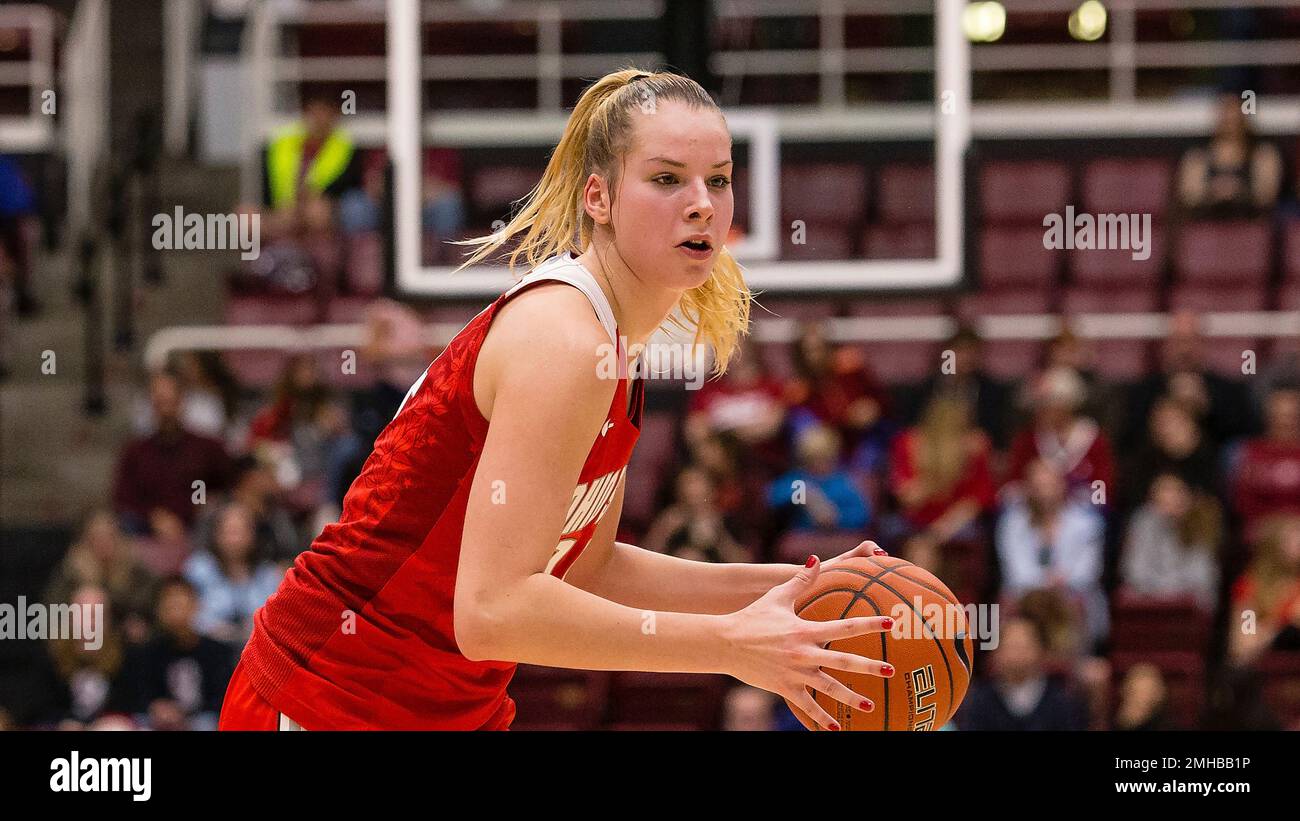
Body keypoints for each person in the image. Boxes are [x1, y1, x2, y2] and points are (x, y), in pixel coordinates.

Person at [219, 69, 893, 732]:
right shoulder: (564, 341)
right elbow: (492, 613)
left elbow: (592, 569)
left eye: (717, 179)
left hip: (442, 707)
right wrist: (729, 645)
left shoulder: (611, 352)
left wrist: (801, 588)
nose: (702, 203)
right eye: (666, 178)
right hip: (329, 695)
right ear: (596, 197)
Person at [121, 576, 236, 730]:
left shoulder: (217, 652)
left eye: (181, 604)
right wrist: (155, 706)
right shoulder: (145, 653)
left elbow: (223, 698)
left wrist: (185, 714)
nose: (176, 612)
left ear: (195, 605)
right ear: (158, 610)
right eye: (170, 606)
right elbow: (137, 696)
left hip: (202, 720)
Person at [953, 615, 1089, 731]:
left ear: (1041, 651)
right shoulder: (979, 702)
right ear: (995, 653)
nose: (1017, 654)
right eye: (1010, 646)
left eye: (1024, 646)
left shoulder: (1061, 702)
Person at [1119, 472, 1222, 611]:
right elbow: (1133, 570)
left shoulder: (1200, 519)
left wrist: (1171, 592)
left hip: (1188, 603)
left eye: (1177, 491)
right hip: (1149, 600)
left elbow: (1203, 575)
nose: (1170, 498)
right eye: (1164, 491)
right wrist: (1158, 593)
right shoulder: (1142, 521)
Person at [767, 424, 870, 533]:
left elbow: (862, 516)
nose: (818, 464)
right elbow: (773, 497)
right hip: (803, 536)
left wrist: (835, 518)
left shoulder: (842, 482)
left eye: (823, 459)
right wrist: (805, 494)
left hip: (836, 535)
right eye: (812, 460)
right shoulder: (799, 479)